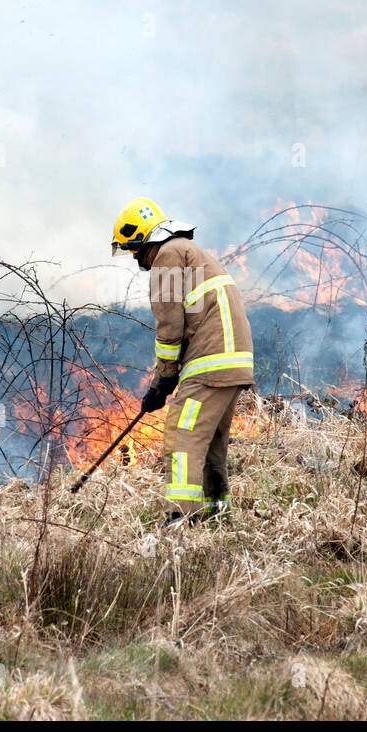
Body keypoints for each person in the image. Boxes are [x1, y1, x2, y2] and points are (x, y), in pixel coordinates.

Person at [110, 197, 254, 527]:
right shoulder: (193, 254)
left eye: (132, 249)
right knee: (212, 444)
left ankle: (179, 519)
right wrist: (168, 379)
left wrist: (163, 378)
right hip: (232, 361)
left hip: (209, 362)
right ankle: (216, 518)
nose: (135, 258)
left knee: (182, 435)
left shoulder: (167, 255)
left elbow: (170, 323)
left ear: (140, 238)